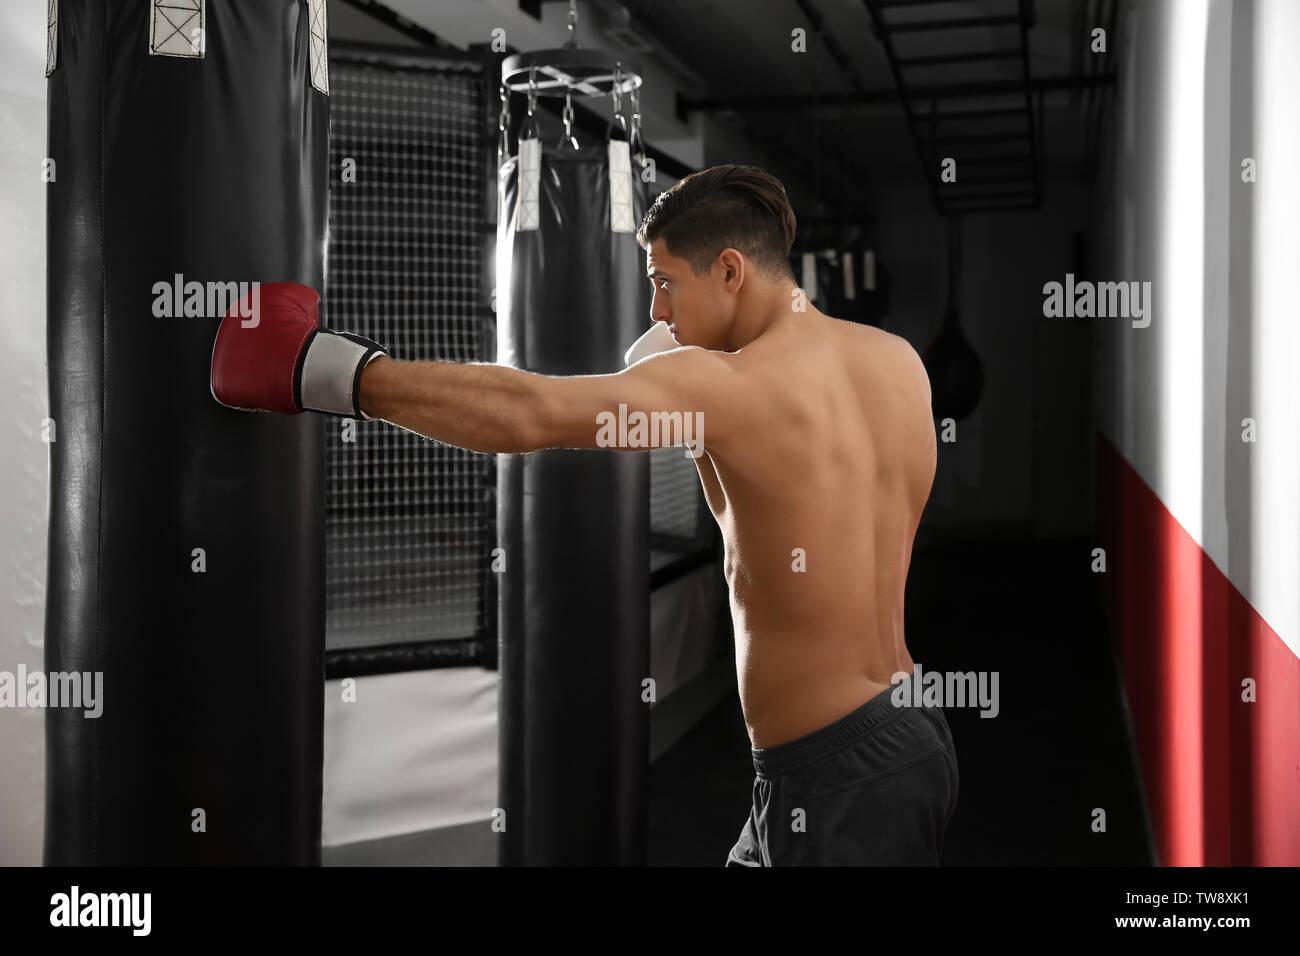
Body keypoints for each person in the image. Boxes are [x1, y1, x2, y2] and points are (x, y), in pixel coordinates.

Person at [211, 163, 957, 866]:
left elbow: (529, 414)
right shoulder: (896, 361)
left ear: (731, 270)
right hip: (906, 733)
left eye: (665, 284)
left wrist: (325, 370)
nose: (658, 309)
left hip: (835, 775)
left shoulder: (729, 387)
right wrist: (677, 343)